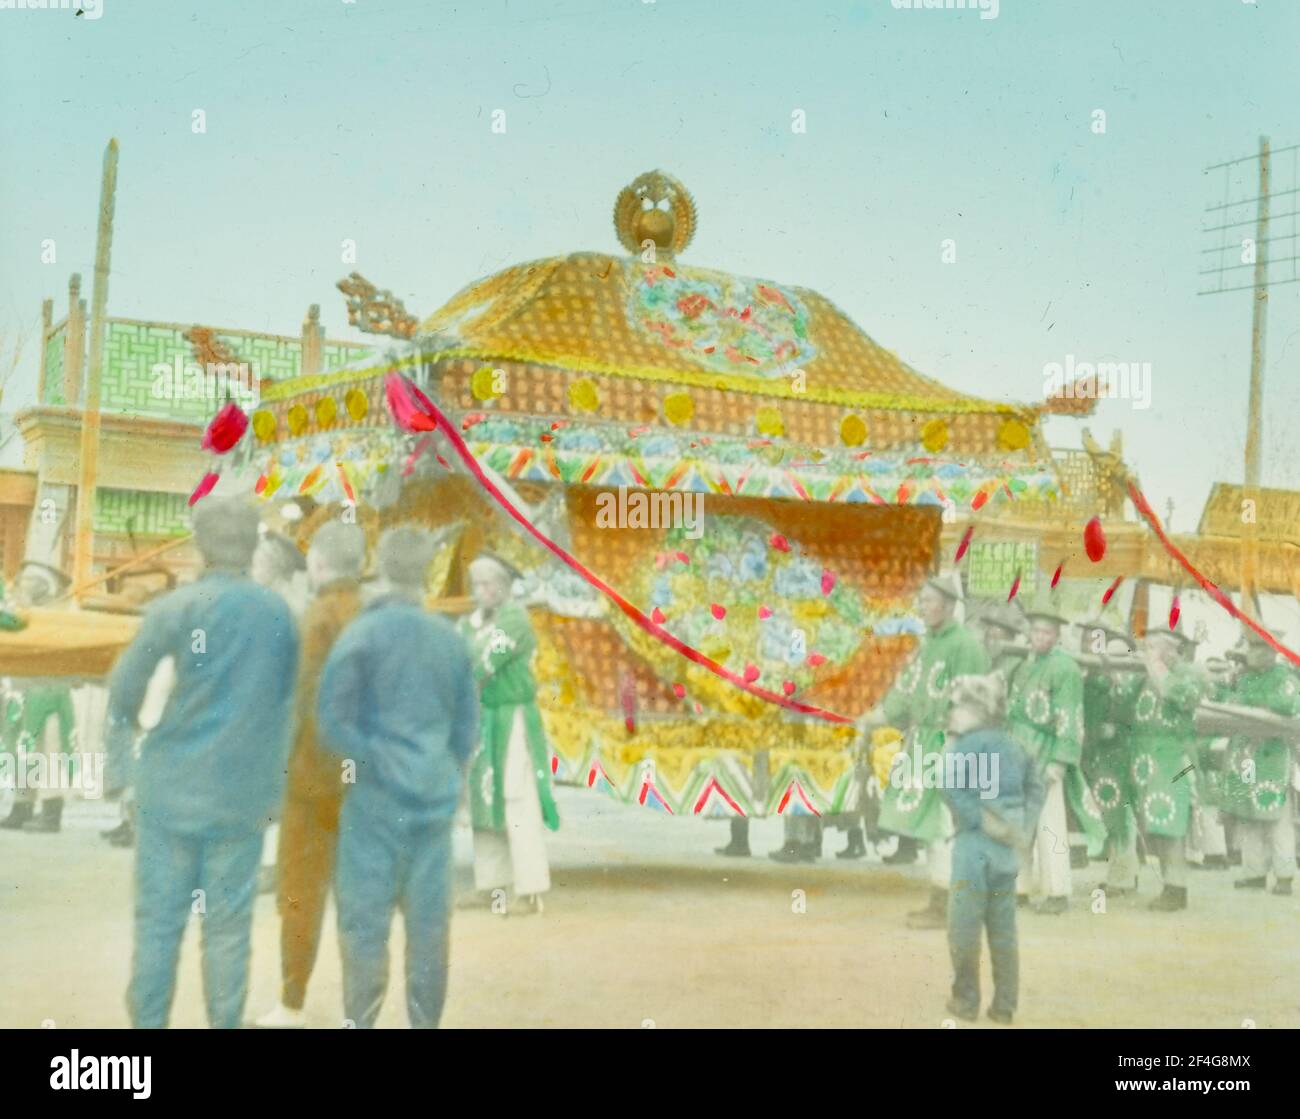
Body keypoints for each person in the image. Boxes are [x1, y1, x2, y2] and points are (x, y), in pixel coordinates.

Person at [105, 496, 299, 1029]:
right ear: (255, 544)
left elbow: (123, 691)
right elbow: (294, 703)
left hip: (169, 791)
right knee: (228, 929)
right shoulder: (278, 614)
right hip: (242, 796)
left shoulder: (175, 609)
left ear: (198, 544)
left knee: (159, 926)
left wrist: (120, 769)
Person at [318, 526, 478, 1028]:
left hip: (373, 804)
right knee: (430, 928)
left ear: (380, 569)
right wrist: (439, 770)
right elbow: (468, 730)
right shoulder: (451, 641)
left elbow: (331, 722)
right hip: (432, 805)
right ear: (428, 572)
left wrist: (370, 757)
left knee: (365, 926)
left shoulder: (361, 634)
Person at [255, 521, 367, 1029]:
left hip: (310, 781)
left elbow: (302, 702)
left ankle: (292, 1003)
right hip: (364, 782)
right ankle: (359, 1013)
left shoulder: (315, 619)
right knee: (361, 902)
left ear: (318, 564)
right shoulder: (372, 617)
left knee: (300, 895)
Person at [859, 572, 989, 927]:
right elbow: (905, 693)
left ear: (947, 605)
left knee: (950, 826)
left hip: (954, 744)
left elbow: (975, 702)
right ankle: (940, 900)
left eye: (930, 601)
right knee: (934, 826)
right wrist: (875, 716)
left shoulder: (966, 646)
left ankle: (950, 906)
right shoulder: (926, 644)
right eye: (922, 601)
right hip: (924, 743)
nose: (923, 607)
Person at [459, 554, 560, 913]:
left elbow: (484, 661)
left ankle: (530, 891)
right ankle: (491, 885)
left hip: (512, 716)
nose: (480, 591)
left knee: (518, 798)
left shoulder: (515, 618)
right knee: (484, 796)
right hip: (485, 717)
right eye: (476, 584)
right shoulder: (472, 622)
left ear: (504, 586)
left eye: (487, 584)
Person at [942, 673, 1045, 1026]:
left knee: (963, 927)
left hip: (972, 846)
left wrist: (979, 820)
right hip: (1006, 852)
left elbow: (950, 787)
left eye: (958, 706)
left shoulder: (967, 744)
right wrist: (1023, 826)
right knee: (1004, 931)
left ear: (977, 709)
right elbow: (1036, 787)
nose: (953, 713)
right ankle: (1004, 1007)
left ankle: (966, 999)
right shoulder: (1016, 744)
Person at [1005, 593, 1104, 914]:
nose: (1040, 638)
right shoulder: (1023, 665)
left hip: (1047, 754)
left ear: (1057, 635)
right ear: (1028, 633)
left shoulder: (1066, 668)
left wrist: (1060, 762)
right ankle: (1019, 887)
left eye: (1047, 632)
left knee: (1050, 825)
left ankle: (1057, 892)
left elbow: (1070, 718)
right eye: (1035, 632)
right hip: (1020, 753)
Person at [1120, 625, 1206, 912]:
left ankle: (1176, 888)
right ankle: (1170, 884)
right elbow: (1122, 702)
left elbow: (1179, 696)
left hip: (1176, 757)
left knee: (1172, 822)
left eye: (1154, 647)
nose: (1148, 653)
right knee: (1155, 826)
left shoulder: (1189, 673)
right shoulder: (1146, 675)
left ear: (1172, 650)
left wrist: (1155, 667)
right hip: (1148, 761)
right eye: (1148, 647)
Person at [1219, 626, 1300, 896]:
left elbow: (1286, 704)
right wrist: (1253, 704)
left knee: (1277, 816)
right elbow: (1232, 701)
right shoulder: (1245, 678)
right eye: (1250, 646)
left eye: (1257, 647)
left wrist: (1249, 704)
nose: (1251, 652)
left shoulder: (1285, 676)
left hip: (1272, 754)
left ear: (1272, 651)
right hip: (1246, 754)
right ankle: (1253, 873)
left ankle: (1284, 876)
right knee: (1248, 813)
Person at [0, 563, 78, 834]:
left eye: (33, 581)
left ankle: (51, 811)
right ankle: (22, 806)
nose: (25, 585)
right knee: (18, 747)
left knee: (50, 750)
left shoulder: (63, 613)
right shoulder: (17, 610)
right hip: (18, 689)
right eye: (23, 580)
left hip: (49, 689)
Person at [1078, 618, 1142, 895]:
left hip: (1118, 749)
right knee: (1111, 811)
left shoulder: (1127, 674)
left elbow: (1133, 710)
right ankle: (1125, 872)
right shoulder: (1091, 673)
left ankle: (1123, 876)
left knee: (1118, 812)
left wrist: (1117, 726)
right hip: (1097, 751)